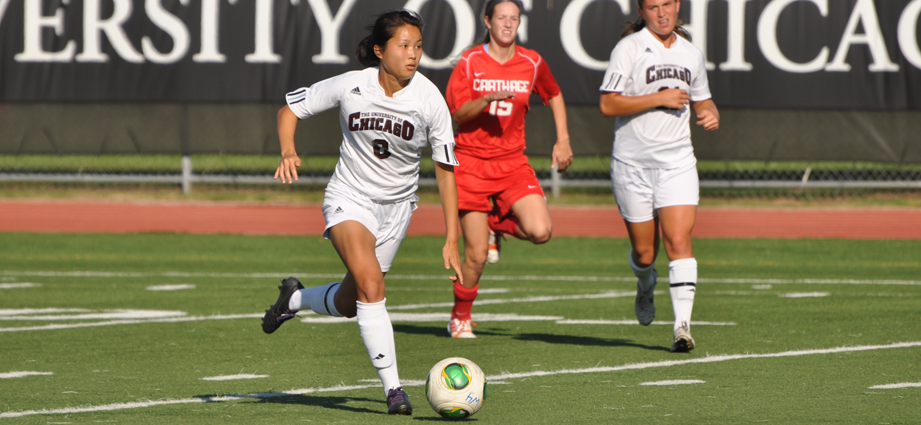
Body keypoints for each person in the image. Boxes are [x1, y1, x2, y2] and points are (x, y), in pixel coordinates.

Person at [261, 10, 463, 415]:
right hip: (348, 198)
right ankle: (395, 391)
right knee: (372, 284)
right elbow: (289, 110)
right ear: (379, 50)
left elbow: (444, 172)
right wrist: (288, 149)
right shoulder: (352, 84)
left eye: (418, 46)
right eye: (403, 45)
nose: (413, 54)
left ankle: (295, 299)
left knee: (355, 300)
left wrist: (452, 237)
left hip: (397, 210)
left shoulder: (429, 99)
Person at [443, 0, 573, 339]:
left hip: (512, 163)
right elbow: (457, 114)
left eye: (513, 18)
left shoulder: (531, 62)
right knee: (474, 255)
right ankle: (460, 316)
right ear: (487, 21)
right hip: (470, 163)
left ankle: (495, 225)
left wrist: (563, 139)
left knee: (541, 230)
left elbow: (554, 93)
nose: (507, 24)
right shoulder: (470, 62)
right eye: (501, 17)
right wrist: (485, 100)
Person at [599, 0, 719, 352]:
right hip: (632, 164)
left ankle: (682, 326)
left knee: (679, 241)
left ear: (678, 5)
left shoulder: (691, 54)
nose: (662, 12)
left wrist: (710, 112)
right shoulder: (629, 48)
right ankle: (644, 283)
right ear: (642, 11)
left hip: (677, 162)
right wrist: (657, 98)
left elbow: (703, 100)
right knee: (645, 253)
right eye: (653, 7)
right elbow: (608, 104)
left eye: (667, 4)